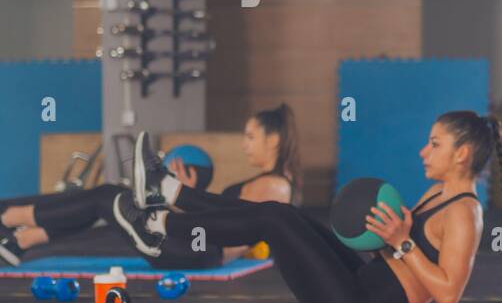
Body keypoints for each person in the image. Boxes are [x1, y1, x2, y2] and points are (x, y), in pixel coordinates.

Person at [111, 111, 502, 303]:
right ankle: (166, 192)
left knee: (275, 217)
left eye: (434, 144)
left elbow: (449, 294)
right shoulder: (436, 193)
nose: (423, 151)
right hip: (363, 285)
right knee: (285, 215)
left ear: (462, 153)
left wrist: (402, 244)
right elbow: (399, 257)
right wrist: (384, 239)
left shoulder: (465, 213)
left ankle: (160, 224)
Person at [0, 104, 300, 268]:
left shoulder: (274, 187)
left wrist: (187, 198)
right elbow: (221, 222)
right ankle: (20, 241)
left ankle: (11, 218)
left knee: (107, 197)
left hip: (195, 252)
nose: (245, 144)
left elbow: (239, 236)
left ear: (272, 140)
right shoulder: (268, 181)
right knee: (108, 203)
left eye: (251, 136)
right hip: (193, 246)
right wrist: (186, 196)